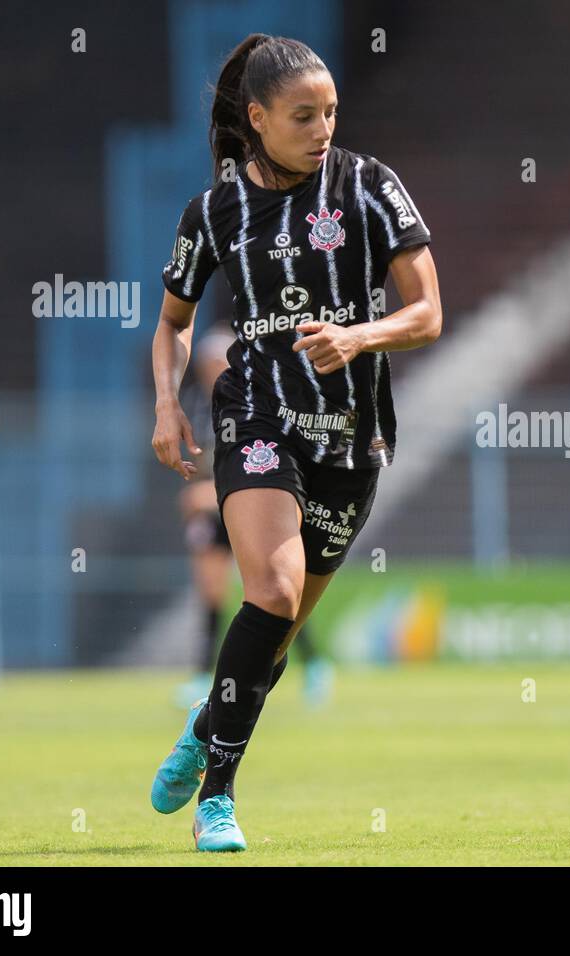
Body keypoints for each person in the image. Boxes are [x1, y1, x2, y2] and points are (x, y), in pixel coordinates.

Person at [149, 33, 442, 852]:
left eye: (332, 112)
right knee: (271, 593)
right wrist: (169, 405)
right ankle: (219, 798)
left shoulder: (371, 186)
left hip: (350, 436)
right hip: (256, 415)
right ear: (256, 117)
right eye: (303, 115)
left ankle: (208, 725)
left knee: (272, 640)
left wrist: (359, 339)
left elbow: (428, 313)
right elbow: (172, 325)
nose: (323, 129)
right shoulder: (213, 211)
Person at [174, 330, 333, 711]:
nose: (209, 369)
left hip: (254, 504)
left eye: (215, 362)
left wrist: (210, 494)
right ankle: (201, 674)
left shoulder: (262, 397)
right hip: (217, 508)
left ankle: (313, 665)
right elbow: (200, 462)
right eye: (205, 364)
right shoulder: (199, 403)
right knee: (211, 591)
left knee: (275, 589)